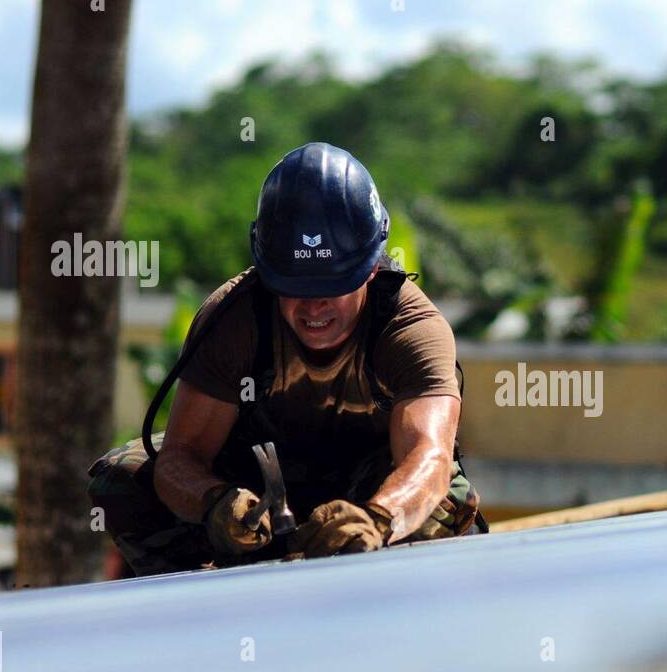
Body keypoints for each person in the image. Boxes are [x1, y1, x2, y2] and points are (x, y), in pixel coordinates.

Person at [88, 142, 483, 576]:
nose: (313, 308)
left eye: (331, 286)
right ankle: (204, 610)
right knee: (122, 479)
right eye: (293, 286)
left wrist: (379, 519)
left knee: (443, 504)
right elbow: (181, 456)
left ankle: (392, 609)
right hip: (258, 485)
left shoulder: (411, 329)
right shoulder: (233, 318)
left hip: (371, 486)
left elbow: (428, 456)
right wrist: (215, 501)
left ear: (371, 268)